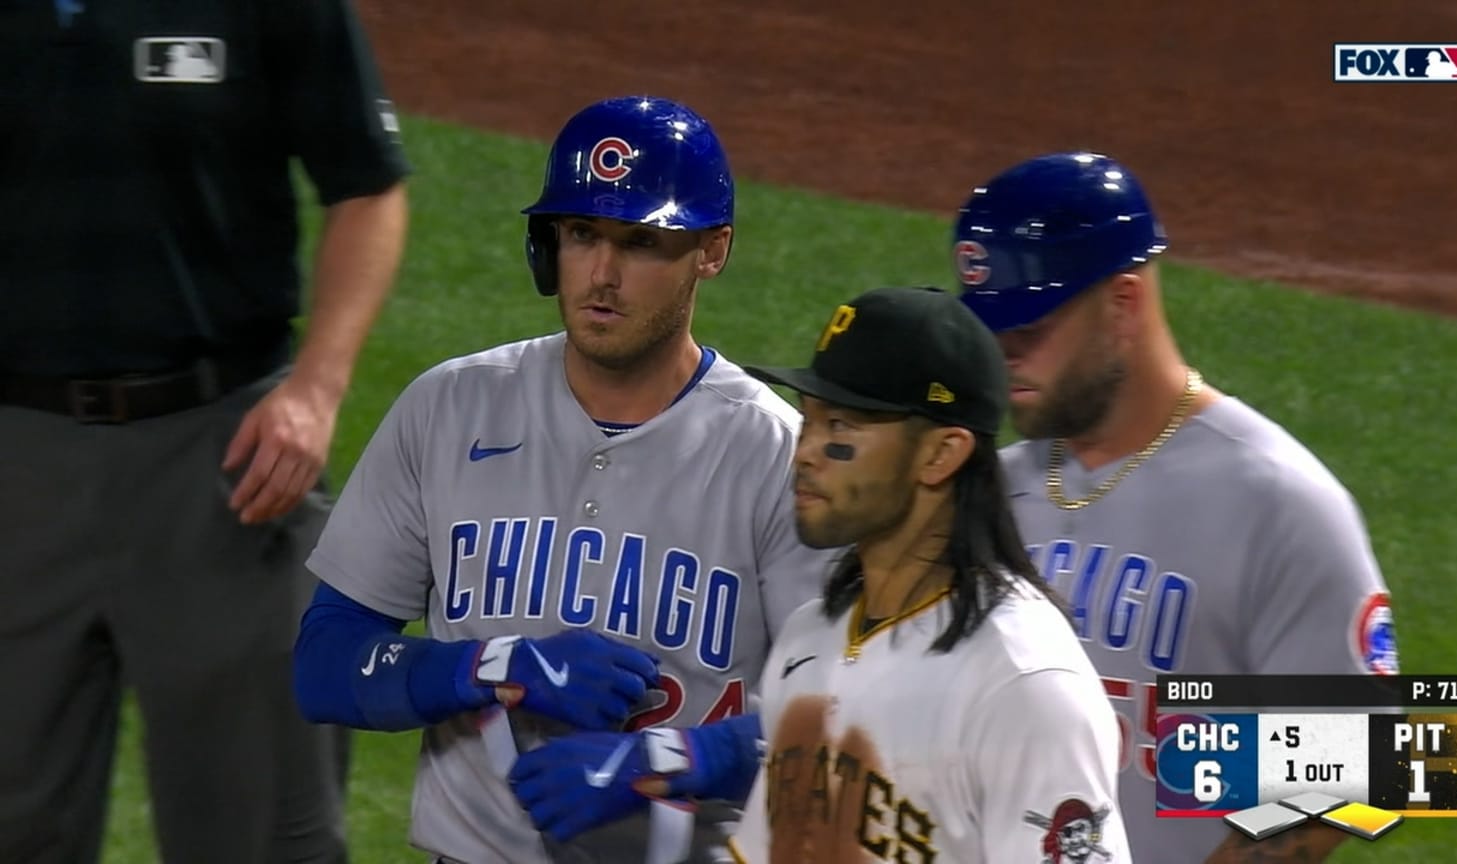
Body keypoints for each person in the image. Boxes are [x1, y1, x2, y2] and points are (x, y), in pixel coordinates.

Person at [291, 94, 835, 864]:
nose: (603, 275)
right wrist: (490, 666)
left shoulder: (776, 457)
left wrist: (668, 762)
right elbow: (324, 666)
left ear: (712, 251)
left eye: (641, 241)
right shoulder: (449, 407)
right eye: (581, 235)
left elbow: (840, 718)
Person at [0, 2, 409, 863]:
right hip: (15, 461)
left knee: (258, 832)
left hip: (220, 460)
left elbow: (367, 185)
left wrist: (317, 388)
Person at [951, 151, 1399, 864]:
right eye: (990, 332)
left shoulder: (1278, 499)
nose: (1004, 358)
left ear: (1122, 302)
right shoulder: (993, 488)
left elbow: (1367, 766)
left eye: (1028, 330)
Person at [728, 286, 1131, 863]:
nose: (806, 452)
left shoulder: (1022, 681)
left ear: (941, 454)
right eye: (810, 421)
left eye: (841, 426)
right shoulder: (809, 637)